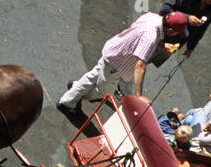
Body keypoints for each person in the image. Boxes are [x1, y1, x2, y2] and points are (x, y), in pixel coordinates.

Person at [57, 11, 190, 113]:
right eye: (177, 33)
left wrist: (160, 45)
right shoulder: (151, 37)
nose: (176, 36)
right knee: (104, 92)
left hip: (113, 50)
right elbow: (140, 64)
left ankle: (69, 99)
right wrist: (139, 95)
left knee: (92, 76)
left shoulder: (152, 17)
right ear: (170, 30)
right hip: (117, 65)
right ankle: (75, 96)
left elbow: (138, 34)